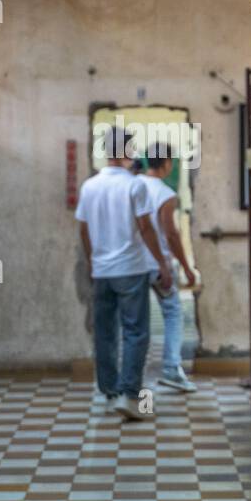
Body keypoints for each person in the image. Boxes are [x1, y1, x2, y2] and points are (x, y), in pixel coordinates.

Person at [76, 127, 173, 421]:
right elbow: (145, 227)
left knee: (105, 333)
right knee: (135, 332)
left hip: (103, 271)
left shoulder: (89, 186)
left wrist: (93, 261)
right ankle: (129, 395)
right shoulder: (135, 186)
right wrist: (162, 263)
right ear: (128, 151)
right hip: (131, 269)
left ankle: (109, 394)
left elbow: (83, 227)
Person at [139, 143, 198, 392]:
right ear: (165, 164)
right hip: (159, 264)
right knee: (173, 313)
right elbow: (171, 234)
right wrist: (186, 267)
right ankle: (171, 369)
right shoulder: (165, 194)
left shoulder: (134, 186)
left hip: (134, 264)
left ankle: (132, 379)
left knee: (134, 321)